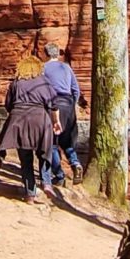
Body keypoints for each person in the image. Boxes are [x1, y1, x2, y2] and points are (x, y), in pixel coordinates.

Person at [0, 57, 59, 204]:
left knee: (25, 158)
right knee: (45, 152)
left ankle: (30, 194)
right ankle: (46, 182)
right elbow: (54, 104)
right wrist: (56, 121)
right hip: (40, 120)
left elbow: (8, 105)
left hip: (19, 121)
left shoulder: (16, 83)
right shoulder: (44, 82)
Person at [40, 43, 83, 186]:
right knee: (67, 139)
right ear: (57, 54)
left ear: (45, 54)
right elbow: (76, 89)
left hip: (53, 104)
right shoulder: (66, 67)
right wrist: (72, 104)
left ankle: (59, 176)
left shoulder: (43, 68)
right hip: (69, 104)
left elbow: (42, 89)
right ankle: (75, 162)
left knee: (51, 142)